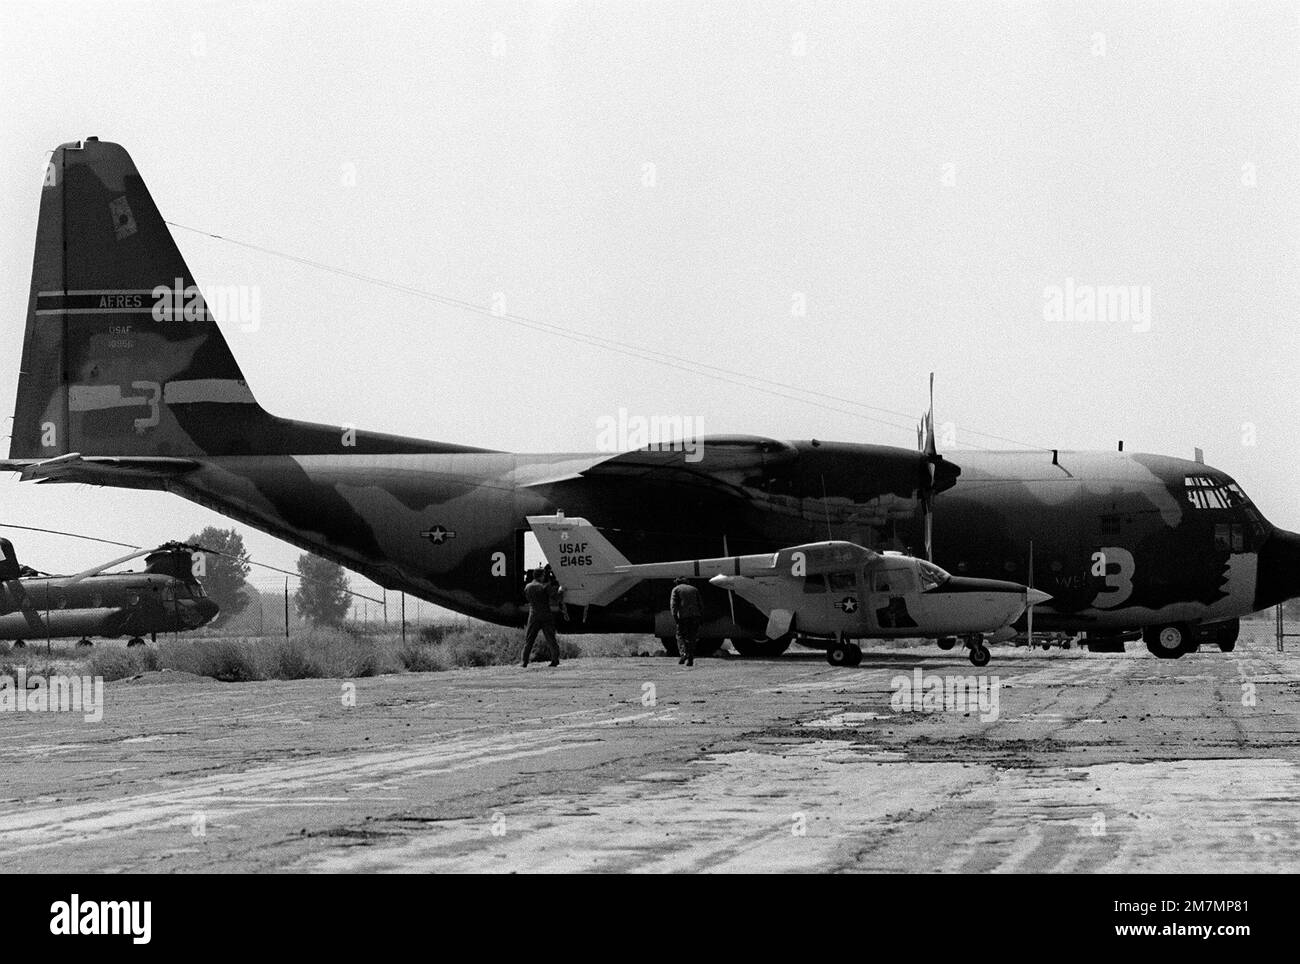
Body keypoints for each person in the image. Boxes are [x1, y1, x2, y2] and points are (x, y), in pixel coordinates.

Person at [522, 568, 560, 667]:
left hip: (533, 614)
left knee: (529, 640)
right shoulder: (545, 587)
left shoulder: (528, 587)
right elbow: (555, 597)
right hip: (546, 614)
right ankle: (555, 660)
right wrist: (561, 590)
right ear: (541, 576)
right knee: (551, 639)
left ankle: (524, 661)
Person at [669, 576, 702, 666]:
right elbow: (700, 604)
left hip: (683, 616)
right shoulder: (694, 589)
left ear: (677, 582)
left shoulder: (676, 589)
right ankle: (690, 656)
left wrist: (675, 616)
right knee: (692, 637)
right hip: (695, 616)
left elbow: (673, 604)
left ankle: (683, 654)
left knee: (680, 636)